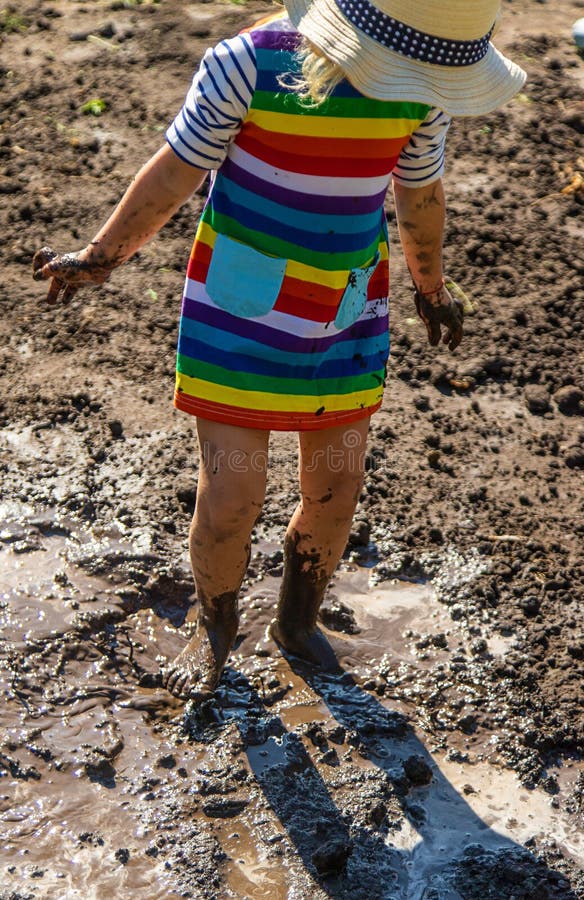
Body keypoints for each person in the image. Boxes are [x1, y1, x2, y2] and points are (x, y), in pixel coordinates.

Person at [32, 0, 525, 701]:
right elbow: (177, 171)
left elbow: (419, 194)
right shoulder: (250, 63)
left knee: (337, 486)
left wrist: (433, 284)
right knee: (233, 494)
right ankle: (215, 628)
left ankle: (297, 623)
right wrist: (100, 256)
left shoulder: (423, 87)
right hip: (240, 317)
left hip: (345, 314)